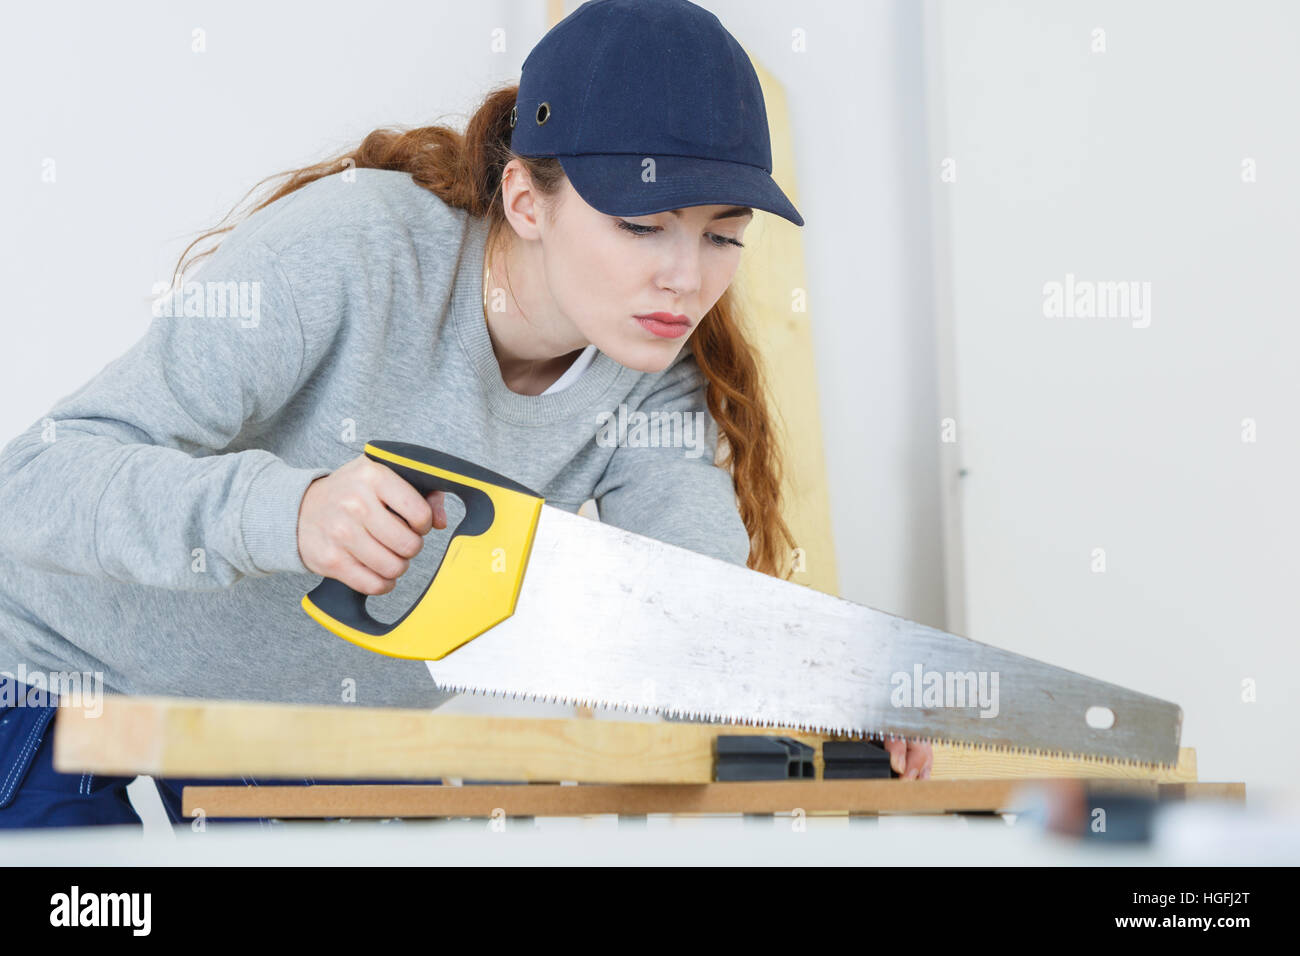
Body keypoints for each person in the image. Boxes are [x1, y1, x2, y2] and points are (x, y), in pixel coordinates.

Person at [0, 0, 930, 830]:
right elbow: (34, 480)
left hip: (305, 755)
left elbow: (691, 605)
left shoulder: (655, 374)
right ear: (528, 199)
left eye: (723, 235)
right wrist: (289, 512)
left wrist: (832, 682)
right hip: (67, 702)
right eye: (642, 227)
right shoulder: (352, 251)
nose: (686, 278)